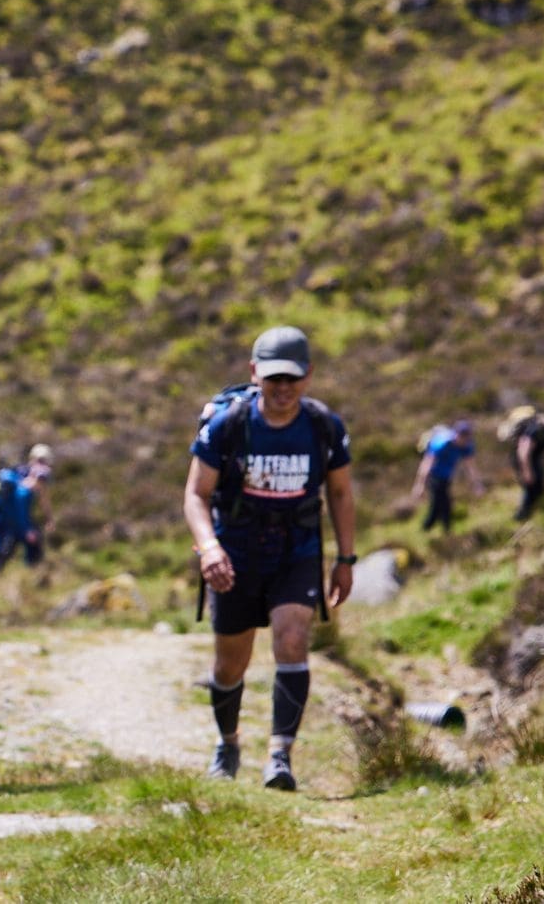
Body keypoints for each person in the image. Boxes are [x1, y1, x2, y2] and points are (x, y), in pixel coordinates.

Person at [183, 325, 356, 792]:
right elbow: (196, 496)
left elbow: (339, 493)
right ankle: (229, 743)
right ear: (254, 372)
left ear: (309, 375)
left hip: (295, 551)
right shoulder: (228, 426)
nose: (282, 389)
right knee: (229, 666)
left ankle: (280, 756)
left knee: (294, 639)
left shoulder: (323, 427)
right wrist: (210, 549)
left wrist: (346, 558)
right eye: (273, 378)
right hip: (234, 556)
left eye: (292, 379)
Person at [0, 444, 53, 576]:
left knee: (2, 550)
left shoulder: (24, 479)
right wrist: (27, 530)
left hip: (6, 520)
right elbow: (20, 513)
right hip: (6, 521)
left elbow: (41, 500)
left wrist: (48, 519)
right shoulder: (24, 490)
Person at [411, 420, 481, 533]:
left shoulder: (466, 446)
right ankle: (444, 530)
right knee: (442, 503)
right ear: (457, 434)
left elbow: (470, 467)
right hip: (434, 476)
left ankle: (428, 529)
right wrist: (420, 485)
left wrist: (477, 484)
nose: (464, 441)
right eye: (463, 437)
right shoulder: (442, 444)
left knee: (439, 504)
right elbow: (427, 464)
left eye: (467, 438)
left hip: (447, 477)